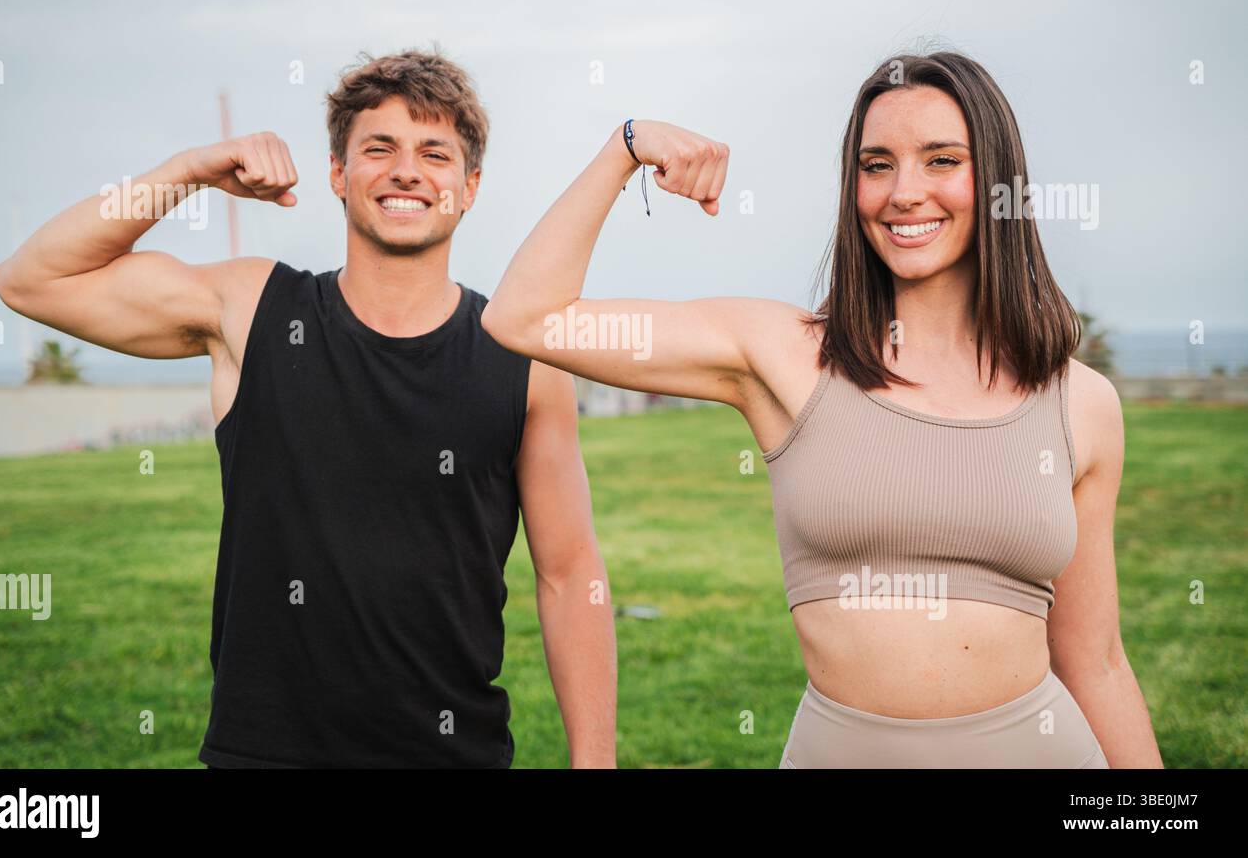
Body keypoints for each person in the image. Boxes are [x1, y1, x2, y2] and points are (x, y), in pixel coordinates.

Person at [481, 51, 1163, 768]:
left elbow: (1098, 662)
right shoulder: (781, 355)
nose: (904, 192)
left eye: (940, 160)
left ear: (995, 180)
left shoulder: (1082, 403)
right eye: (876, 165)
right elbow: (525, 319)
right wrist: (623, 149)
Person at [0, 48, 617, 769]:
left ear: (469, 186)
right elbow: (31, 280)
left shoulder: (522, 357)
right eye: (378, 148)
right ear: (337, 175)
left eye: (434, 153)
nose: (406, 171)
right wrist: (190, 171)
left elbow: (571, 574)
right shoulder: (253, 309)